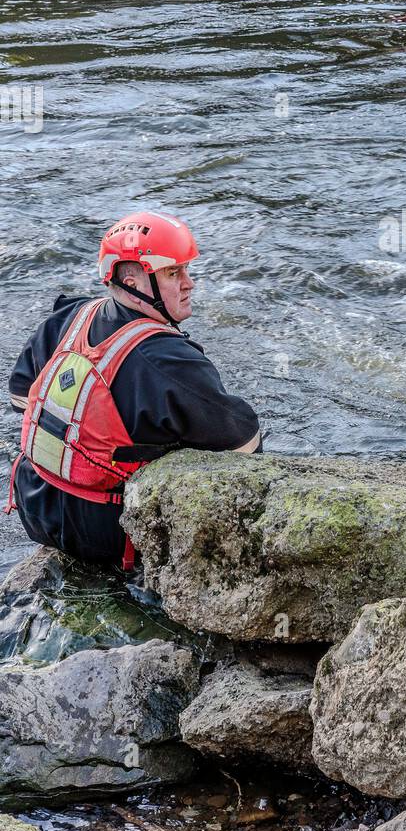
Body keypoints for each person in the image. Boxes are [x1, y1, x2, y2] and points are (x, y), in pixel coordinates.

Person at [7, 211, 261, 567]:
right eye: (174, 273)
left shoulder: (68, 317)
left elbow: (21, 395)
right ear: (133, 281)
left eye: (186, 270)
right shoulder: (171, 362)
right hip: (102, 535)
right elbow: (244, 443)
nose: (189, 283)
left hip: (34, 504)